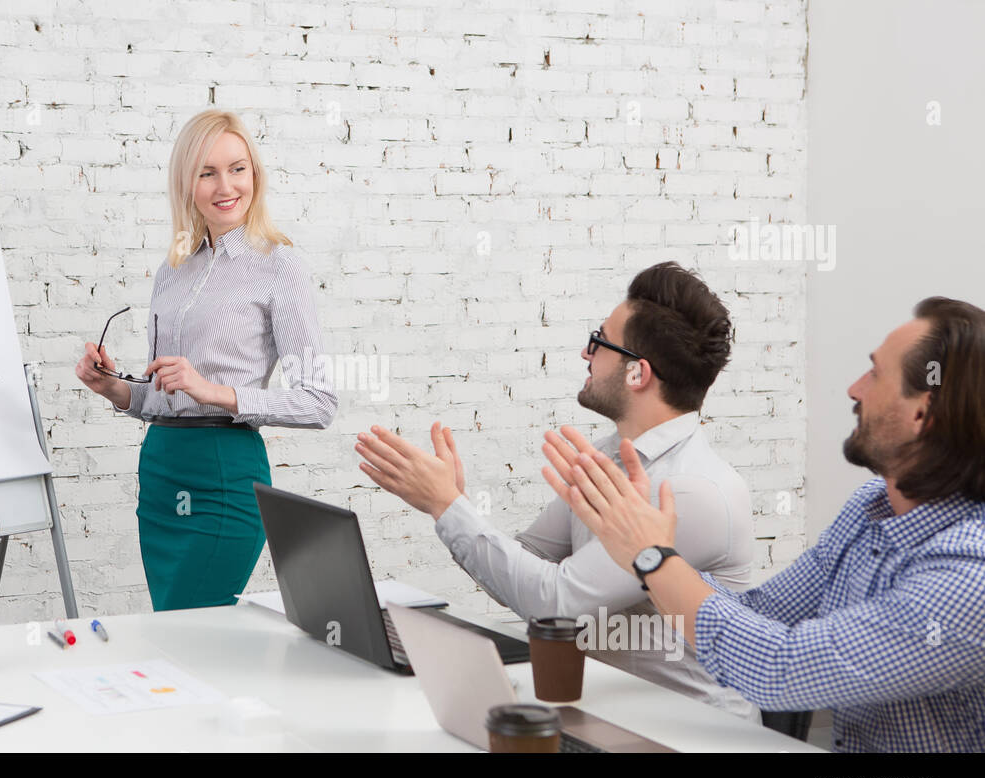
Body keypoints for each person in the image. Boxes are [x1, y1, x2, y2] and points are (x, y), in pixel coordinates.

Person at [545, 297, 985, 751]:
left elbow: (783, 668)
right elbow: (759, 612)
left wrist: (652, 556)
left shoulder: (969, 575)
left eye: (875, 374)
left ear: (922, 413)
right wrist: (646, 544)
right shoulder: (869, 510)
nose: (854, 389)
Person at [354, 262, 758, 719]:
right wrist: (455, 501)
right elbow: (529, 563)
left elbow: (554, 603)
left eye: (599, 341)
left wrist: (447, 506)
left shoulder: (690, 492)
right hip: (608, 717)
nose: (586, 354)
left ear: (637, 374)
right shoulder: (612, 455)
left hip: (690, 733)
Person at [75, 110, 337, 611]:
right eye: (207, 172)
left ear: (255, 174)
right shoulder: (173, 270)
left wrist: (213, 390)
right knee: (173, 633)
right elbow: (162, 396)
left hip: (224, 475)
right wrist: (113, 388)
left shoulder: (279, 266)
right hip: (159, 474)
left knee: (195, 630)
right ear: (186, 182)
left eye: (238, 168)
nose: (226, 185)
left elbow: (319, 403)